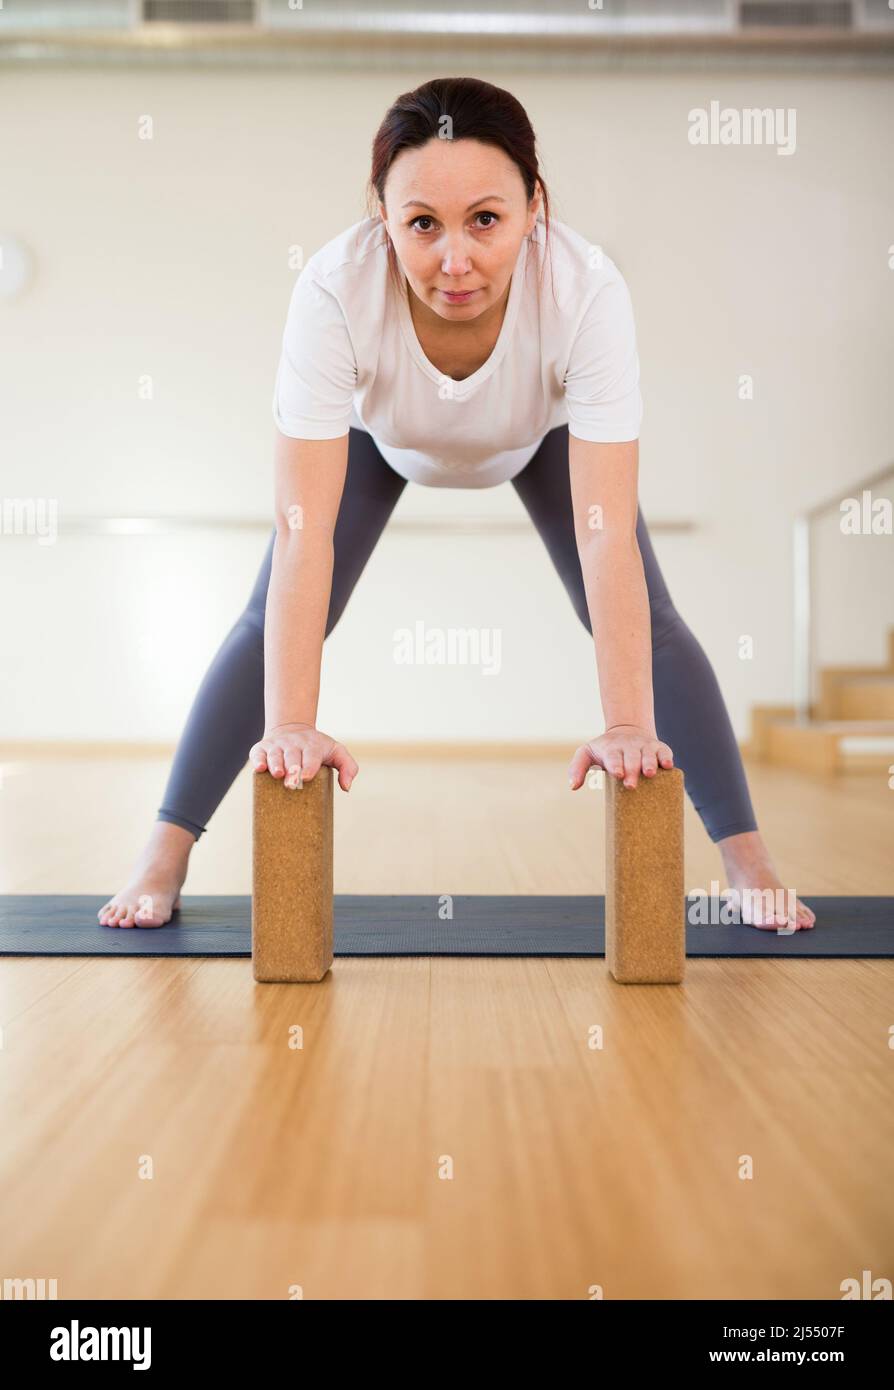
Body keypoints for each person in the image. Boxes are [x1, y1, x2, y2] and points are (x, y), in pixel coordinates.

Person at [99, 76, 815, 933]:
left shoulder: (587, 290)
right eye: (422, 225)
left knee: (650, 620)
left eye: (486, 219)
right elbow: (302, 535)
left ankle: (749, 863)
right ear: (382, 215)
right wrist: (293, 725)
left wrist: (627, 724)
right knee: (269, 618)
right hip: (382, 440)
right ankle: (161, 857)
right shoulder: (334, 291)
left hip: (536, 436)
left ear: (534, 207)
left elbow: (603, 534)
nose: (455, 260)